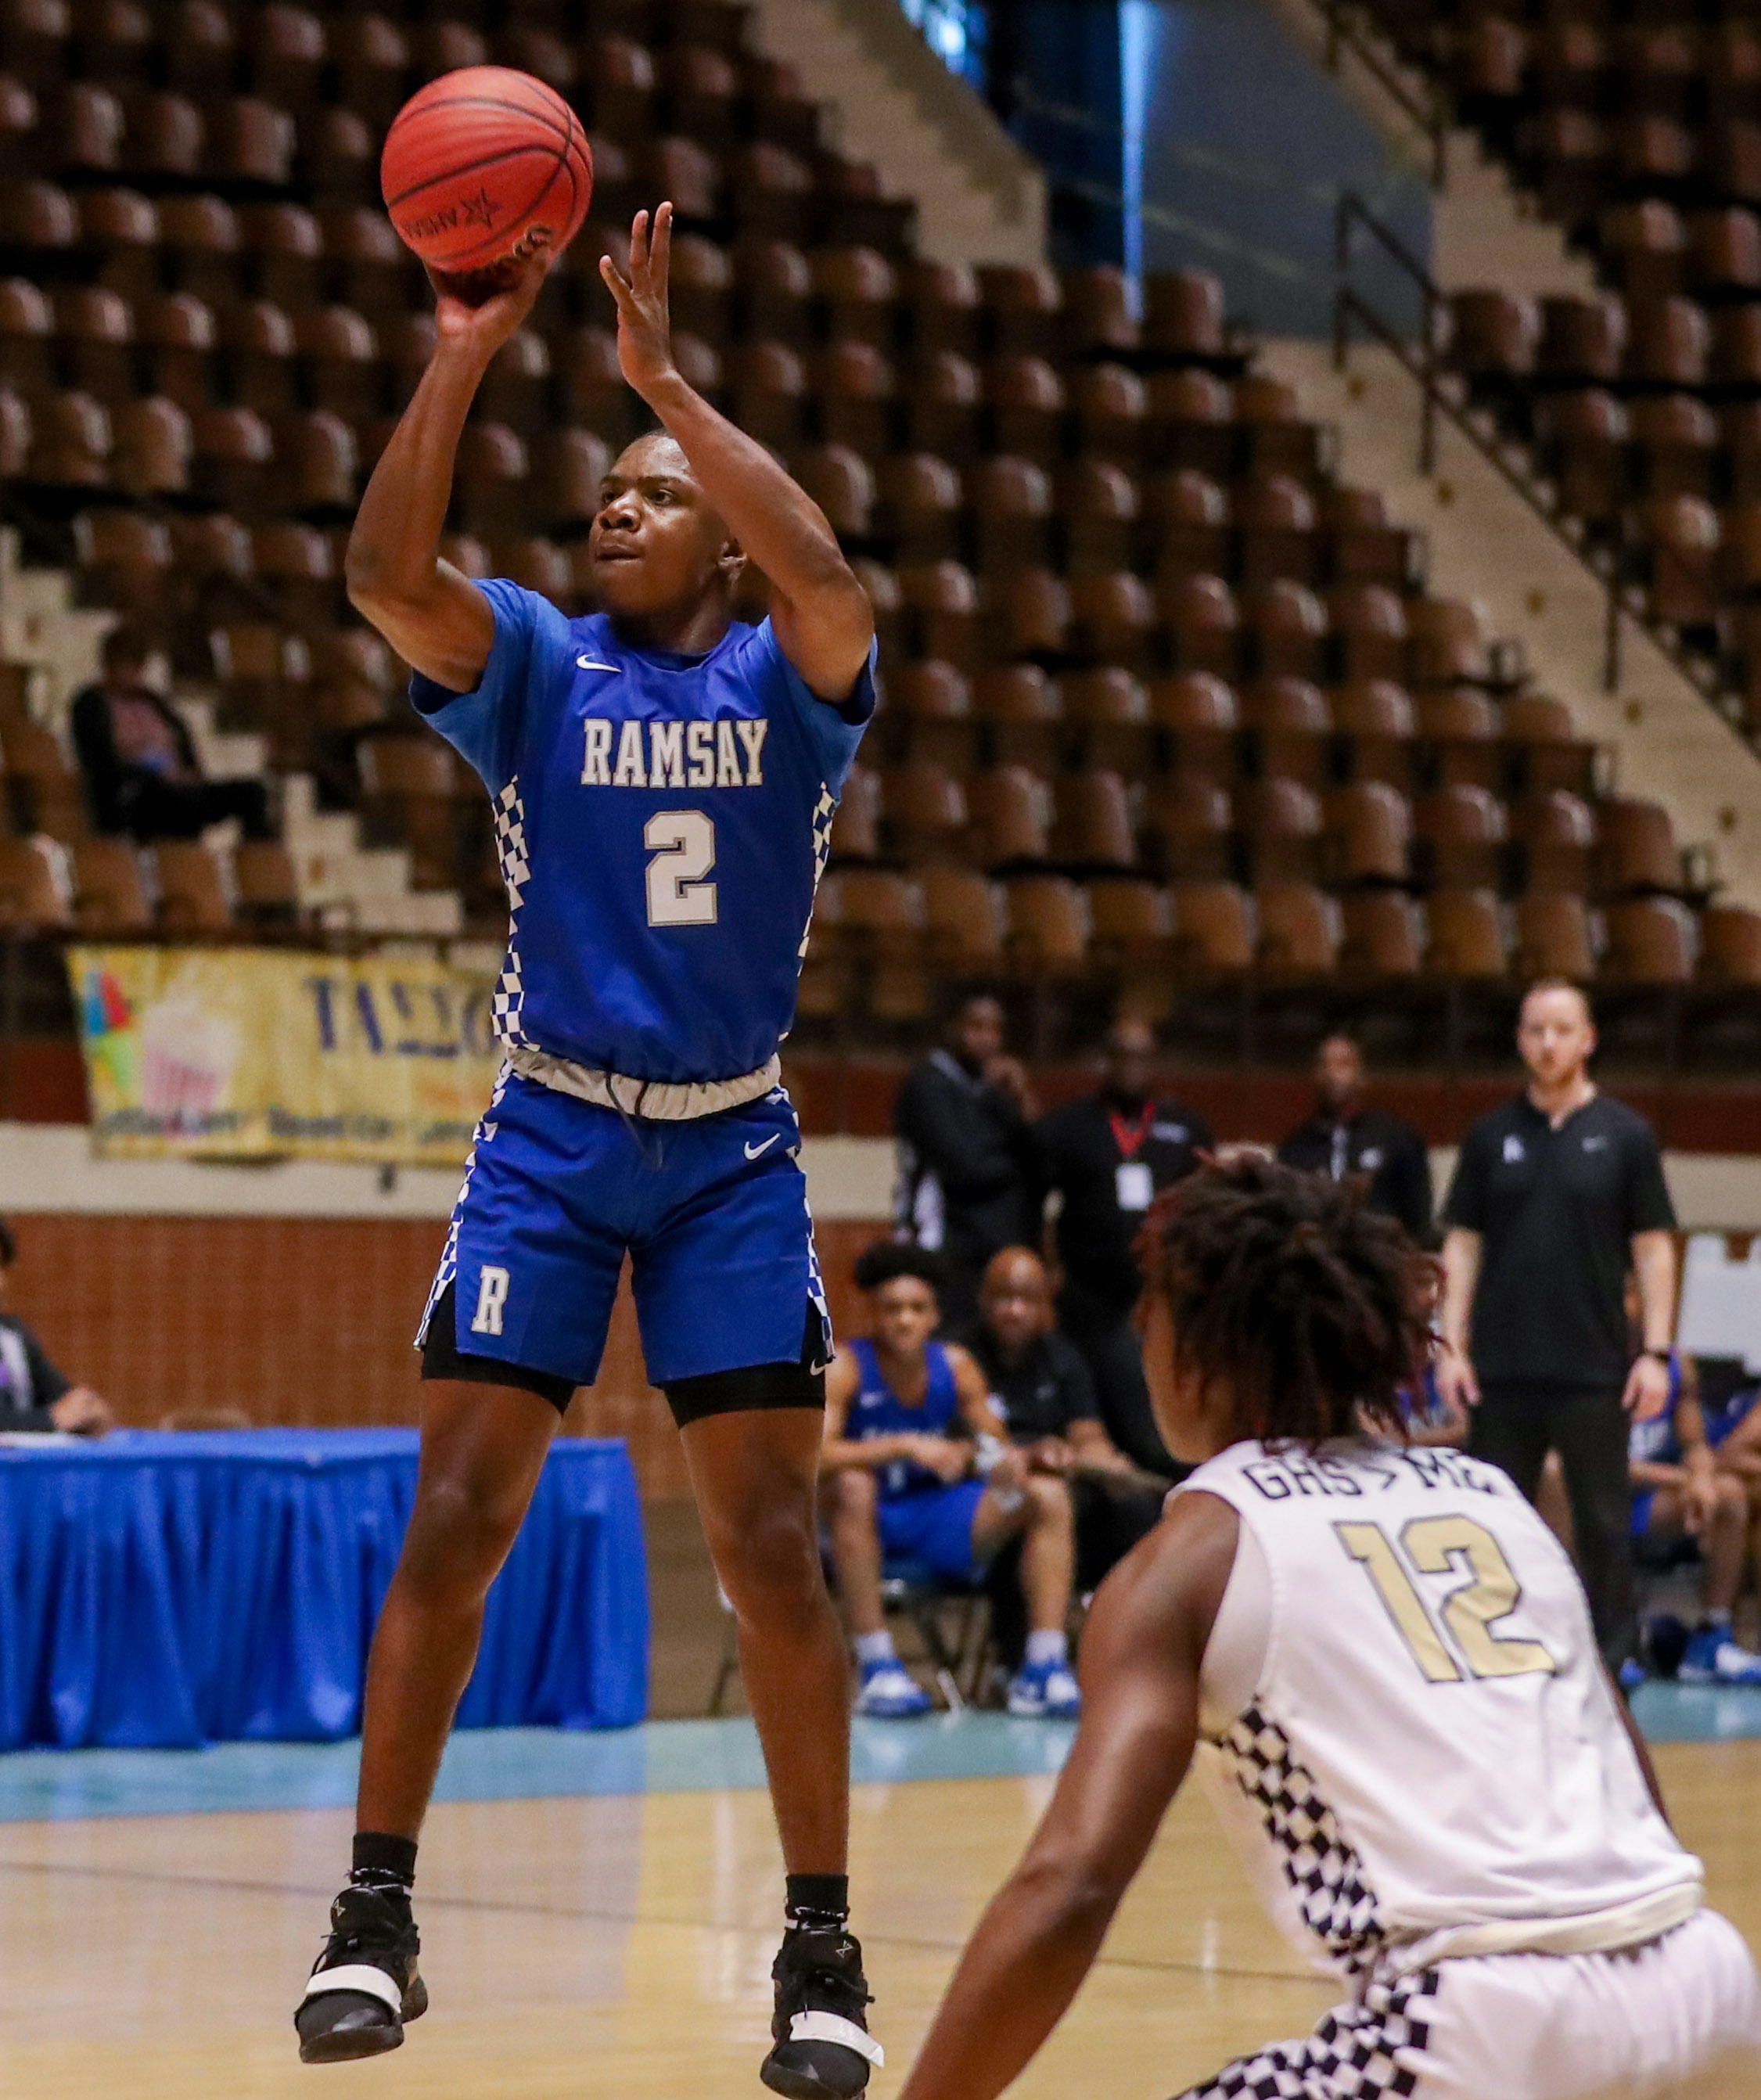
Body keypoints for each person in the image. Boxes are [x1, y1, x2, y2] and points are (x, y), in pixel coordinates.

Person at [293, 203, 884, 2100]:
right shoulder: (539, 665)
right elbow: (381, 573)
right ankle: (372, 1916)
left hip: (729, 1154)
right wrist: (465, 345)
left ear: (723, 536)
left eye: (655, 496)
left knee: (772, 1548)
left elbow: (833, 578)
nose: (618, 509)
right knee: (456, 1517)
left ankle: (819, 1947)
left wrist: (670, 392)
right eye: (609, 492)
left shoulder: (788, 685)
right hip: (549, 1131)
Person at [893, 1156, 1761, 2100]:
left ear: (1199, 1350)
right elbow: (1627, 1785)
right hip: (1701, 1976)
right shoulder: (1494, 1498)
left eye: (1150, 1321)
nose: (1140, 1348)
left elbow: (1071, 1885)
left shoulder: (1189, 1558)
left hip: (1478, 2022)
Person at [1436, 979, 1678, 1680]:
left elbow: (1653, 1248)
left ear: (1587, 1039)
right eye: (1535, 1030)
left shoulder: (1626, 1135)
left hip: (1593, 1368)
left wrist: (1655, 1352)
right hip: (1501, 1367)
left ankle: (1613, 1663)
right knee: (1491, 1520)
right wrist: (1449, 1346)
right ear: (1520, 1040)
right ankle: (1490, 1653)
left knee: (1602, 1524)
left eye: (1561, 1030)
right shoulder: (1489, 1135)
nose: (1547, 1043)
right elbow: (1462, 1243)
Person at [822, 1243, 1080, 1722]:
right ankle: (877, 1664)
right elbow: (814, 1458)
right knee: (853, 1485)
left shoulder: (956, 1365)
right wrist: (905, 1445)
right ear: (873, 1313)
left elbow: (996, 1445)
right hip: (865, 1522)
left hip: (937, 1518)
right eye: (892, 1308)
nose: (904, 1320)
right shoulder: (846, 1367)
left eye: (916, 1308)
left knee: (1047, 1495)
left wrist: (997, 1459)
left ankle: (1043, 1665)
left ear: (934, 1315)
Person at [959, 1245, 1165, 1663]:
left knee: (1135, 1512)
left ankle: (1128, 1649)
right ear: (983, 1300)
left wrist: (1103, 1461)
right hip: (985, 1492)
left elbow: (1087, 1434)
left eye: (1026, 1300)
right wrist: (1030, 1454)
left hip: (1062, 1487)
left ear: (1045, 1304)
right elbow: (967, 1442)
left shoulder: (1062, 1358)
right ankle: (1024, 1659)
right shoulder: (960, 1357)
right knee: (1037, 1506)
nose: (1014, 1311)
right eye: (1003, 1298)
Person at [1032, 1016, 1210, 1475]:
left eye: (1141, 1056)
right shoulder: (1068, 1126)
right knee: (1093, 1400)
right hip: (1087, 1295)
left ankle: (1157, 1483)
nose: (1132, 1065)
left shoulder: (1185, 1126)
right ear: (1105, 1060)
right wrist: (1044, 1266)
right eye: (1122, 1055)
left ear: (1155, 1062)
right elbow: (1032, 1201)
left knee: (1150, 1404)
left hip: (1158, 1293)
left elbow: (1206, 1208)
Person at [892, 993, 1039, 1330]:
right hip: (941, 1241)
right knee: (949, 1340)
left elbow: (1038, 1154)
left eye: (995, 1029)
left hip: (992, 1243)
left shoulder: (995, 1085)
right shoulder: (927, 1082)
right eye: (976, 1027)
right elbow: (964, 1165)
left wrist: (1021, 1094)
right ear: (952, 1027)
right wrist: (1014, 1163)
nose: (987, 1038)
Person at [1627, 1343, 1761, 1686]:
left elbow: (1696, 1445)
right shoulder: (1590, 1358)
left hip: (1650, 1496)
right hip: (1596, 1491)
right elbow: (1595, 1461)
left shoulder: (1677, 1366)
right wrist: (1681, 1480)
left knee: (1728, 1495)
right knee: (1558, 1481)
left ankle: (1711, 1636)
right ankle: (1596, 1634)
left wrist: (1701, 1481)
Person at [70, 625, 274, 843]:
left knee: (253, 793)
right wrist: (151, 774)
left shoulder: (154, 703)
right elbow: (102, 763)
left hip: (177, 787)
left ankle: (256, 859)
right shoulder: (92, 704)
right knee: (170, 798)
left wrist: (190, 773)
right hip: (136, 795)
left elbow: (184, 745)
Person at [1277, 1032, 1432, 1242]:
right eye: (1324, 1065)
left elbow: (1419, 1222)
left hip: (1382, 1253)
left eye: (1343, 1064)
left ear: (1362, 1078)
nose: (1332, 1073)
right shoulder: (1294, 1149)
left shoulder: (1397, 1138)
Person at [0, 1218, 112, 1436]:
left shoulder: (11, 1335)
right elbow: (56, 1416)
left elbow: (61, 1397)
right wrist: (50, 1420)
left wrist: (85, 1410)